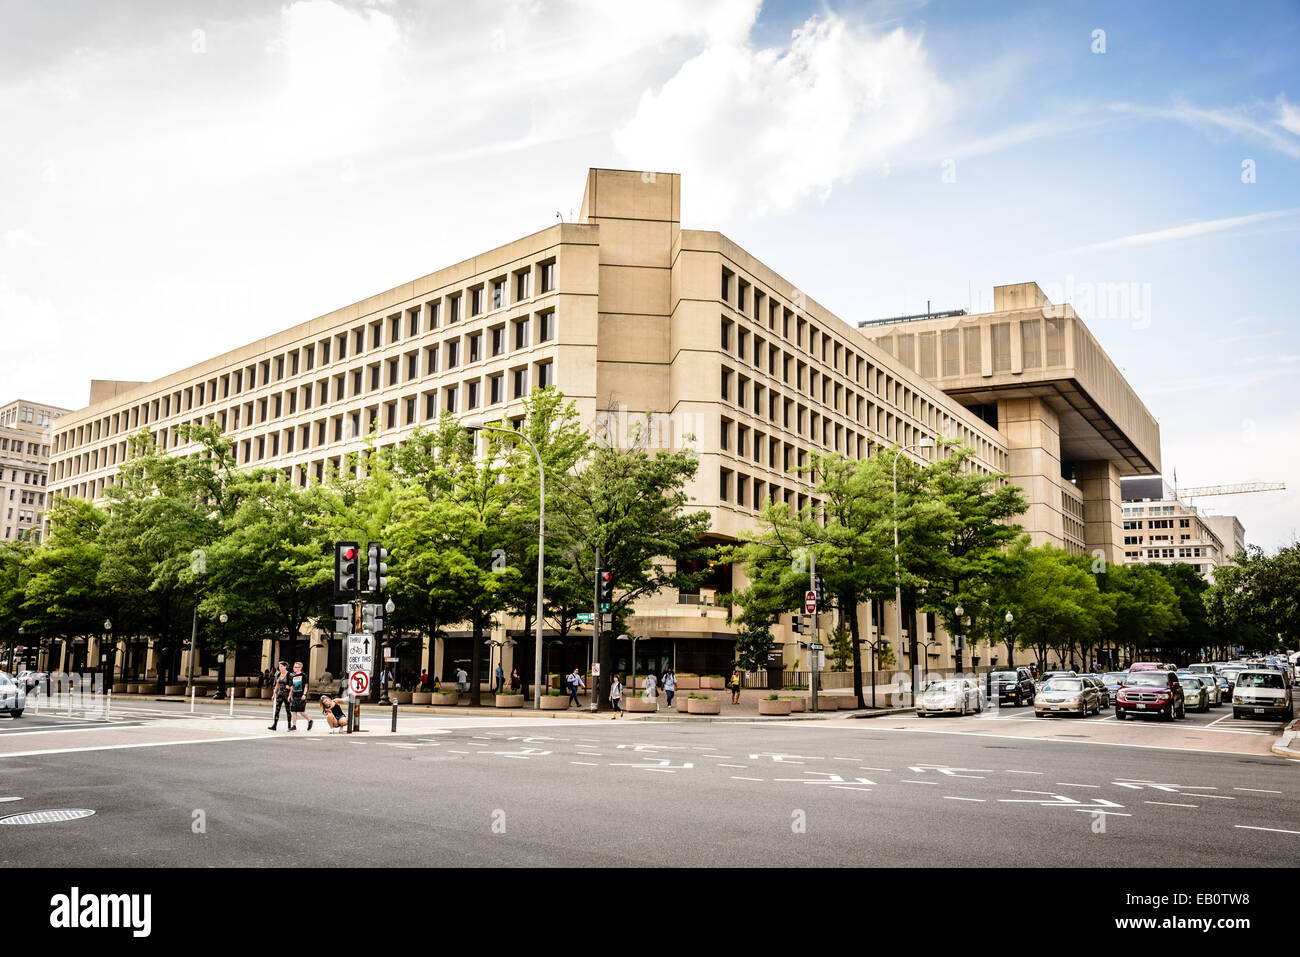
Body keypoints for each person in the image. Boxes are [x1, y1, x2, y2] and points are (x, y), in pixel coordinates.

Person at [288, 661, 312, 731]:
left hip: (301, 695)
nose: (294, 668)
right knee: (293, 711)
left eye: (296, 667)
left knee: (301, 711)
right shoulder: (293, 676)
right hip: (294, 695)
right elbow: (292, 687)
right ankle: (294, 725)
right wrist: (289, 695)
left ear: (300, 668)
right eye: (294, 667)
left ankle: (309, 721)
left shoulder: (303, 676)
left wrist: (304, 694)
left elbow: (306, 686)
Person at [268, 661, 291, 730]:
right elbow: (277, 685)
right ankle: (274, 725)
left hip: (287, 695)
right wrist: (274, 694)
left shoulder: (290, 675)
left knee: (288, 710)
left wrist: (289, 688)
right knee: (277, 710)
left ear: (285, 667)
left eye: (281, 666)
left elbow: (293, 686)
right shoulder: (278, 674)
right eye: (279, 666)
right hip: (280, 694)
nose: (280, 668)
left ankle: (289, 726)